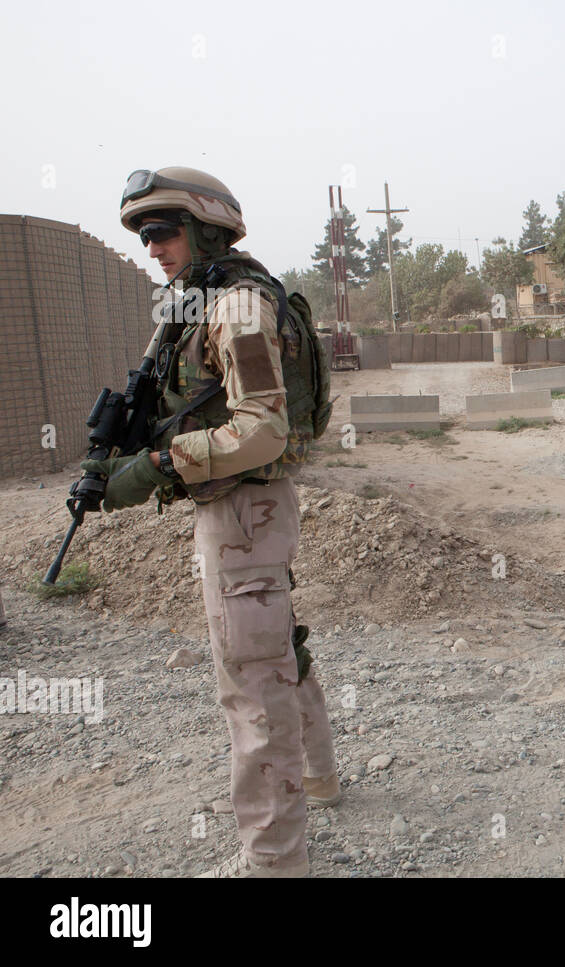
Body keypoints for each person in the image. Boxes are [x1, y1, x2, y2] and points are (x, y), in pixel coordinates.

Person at [83, 167, 340, 877]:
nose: (152, 247)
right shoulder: (196, 305)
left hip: (241, 512)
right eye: (144, 235)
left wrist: (161, 466)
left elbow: (264, 430)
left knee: (252, 689)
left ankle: (273, 862)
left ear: (205, 228)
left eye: (163, 232)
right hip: (243, 510)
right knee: (277, 648)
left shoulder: (238, 309)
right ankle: (319, 778)